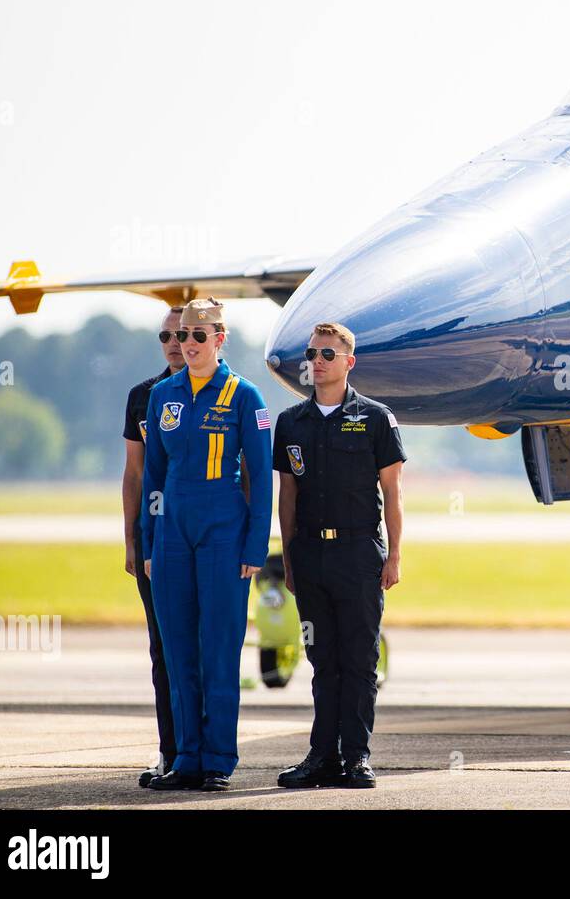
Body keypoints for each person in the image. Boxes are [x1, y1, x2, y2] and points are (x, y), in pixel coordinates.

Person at [140, 297, 273, 792]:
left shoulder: (245, 396)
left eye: (199, 335)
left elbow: (260, 479)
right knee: (177, 649)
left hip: (223, 531)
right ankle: (186, 757)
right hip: (173, 531)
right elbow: (153, 474)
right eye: (181, 336)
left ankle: (217, 758)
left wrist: (254, 548)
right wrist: (149, 542)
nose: (187, 344)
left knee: (218, 646)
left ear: (220, 338)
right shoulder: (163, 395)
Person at [275, 322, 404, 790]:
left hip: (358, 553)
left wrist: (393, 557)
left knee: (359, 661)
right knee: (322, 660)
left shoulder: (375, 418)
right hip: (310, 554)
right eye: (312, 354)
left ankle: (356, 758)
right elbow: (286, 496)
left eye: (328, 354)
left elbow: (393, 493)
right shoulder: (291, 422)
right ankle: (321, 757)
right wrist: (289, 558)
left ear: (349, 362)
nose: (318, 361)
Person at [122, 306, 185, 788]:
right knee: (163, 649)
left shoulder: (233, 394)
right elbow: (135, 474)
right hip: (154, 541)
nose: (172, 341)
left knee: (206, 648)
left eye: (182, 333)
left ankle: (206, 752)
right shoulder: (144, 397)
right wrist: (132, 539)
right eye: (165, 334)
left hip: (207, 539)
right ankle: (171, 752)